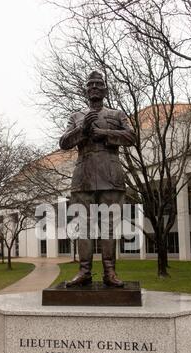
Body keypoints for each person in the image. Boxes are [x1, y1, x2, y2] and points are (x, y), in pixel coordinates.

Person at [59, 71, 135, 287]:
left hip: (110, 175)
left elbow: (131, 136)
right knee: (83, 226)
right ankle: (84, 271)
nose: (94, 87)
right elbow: (64, 142)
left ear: (105, 90)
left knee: (109, 226)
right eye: (90, 84)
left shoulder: (117, 114)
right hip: (83, 176)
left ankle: (109, 272)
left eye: (98, 84)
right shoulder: (76, 117)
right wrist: (83, 129)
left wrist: (103, 133)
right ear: (86, 91)